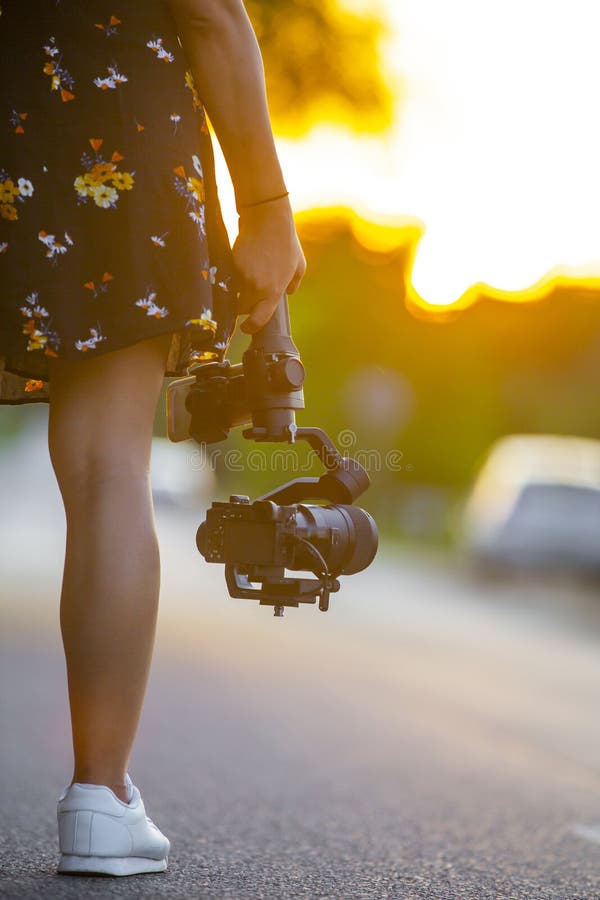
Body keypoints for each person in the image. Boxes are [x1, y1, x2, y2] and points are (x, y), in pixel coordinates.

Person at [0, 0, 306, 876]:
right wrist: (267, 206)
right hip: (104, 127)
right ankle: (100, 798)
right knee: (105, 470)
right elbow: (208, 12)